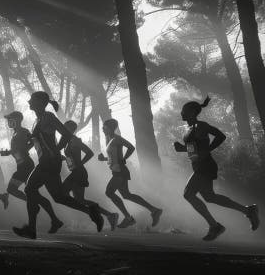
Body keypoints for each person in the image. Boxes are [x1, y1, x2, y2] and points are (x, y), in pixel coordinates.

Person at [12, 92, 104, 240]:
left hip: (50, 161)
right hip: (47, 161)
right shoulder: (38, 120)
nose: (29, 101)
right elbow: (39, 140)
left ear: (40, 103)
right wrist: (28, 144)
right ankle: (91, 211)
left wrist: (56, 149)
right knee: (59, 197)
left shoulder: (48, 117)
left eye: (32, 99)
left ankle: (31, 228)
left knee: (30, 188)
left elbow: (66, 134)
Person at [173, 97, 259, 241]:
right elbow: (194, 150)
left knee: (188, 194)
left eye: (184, 111)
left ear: (193, 112)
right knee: (210, 197)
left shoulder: (201, 126)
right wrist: (183, 149)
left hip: (205, 165)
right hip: (199, 165)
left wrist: (207, 149)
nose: (181, 113)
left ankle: (215, 226)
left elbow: (220, 136)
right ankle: (248, 210)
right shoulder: (189, 129)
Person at [0, 111, 62, 232]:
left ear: (17, 120)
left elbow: (33, 142)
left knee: (12, 189)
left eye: (10, 119)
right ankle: (54, 220)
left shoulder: (23, 131)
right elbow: (17, 149)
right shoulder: (15, 133)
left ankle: (39, 209)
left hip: (26, 166)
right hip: (21, 165)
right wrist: (8, 152)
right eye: (7, 120)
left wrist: (24, 149)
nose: (8, 122)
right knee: (33, 194)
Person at [98, 118, 162, 229]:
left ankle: (129, 218)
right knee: (126, 195)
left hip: (120, 171)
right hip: (117, 171)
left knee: (109, 192)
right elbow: (113, 158)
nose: (102, 128)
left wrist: (125, 158)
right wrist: (103, 158)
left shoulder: (117, 139)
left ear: (110, 127)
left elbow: (131, 147)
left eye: (104, 127)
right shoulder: (109, 139)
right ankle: (154, 210)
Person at [60, 120, 119, 231]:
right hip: (76, 172)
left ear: (71, 129)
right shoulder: (68, 140)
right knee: (80, 200)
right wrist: (66, 159)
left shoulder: (74, 140)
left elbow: (90, 153)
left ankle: (99, 215)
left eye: (65, 128)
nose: (62, 130)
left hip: (78, 172)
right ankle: (110, 215)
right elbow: (72, 156)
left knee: (62, 194)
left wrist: (80, 163)